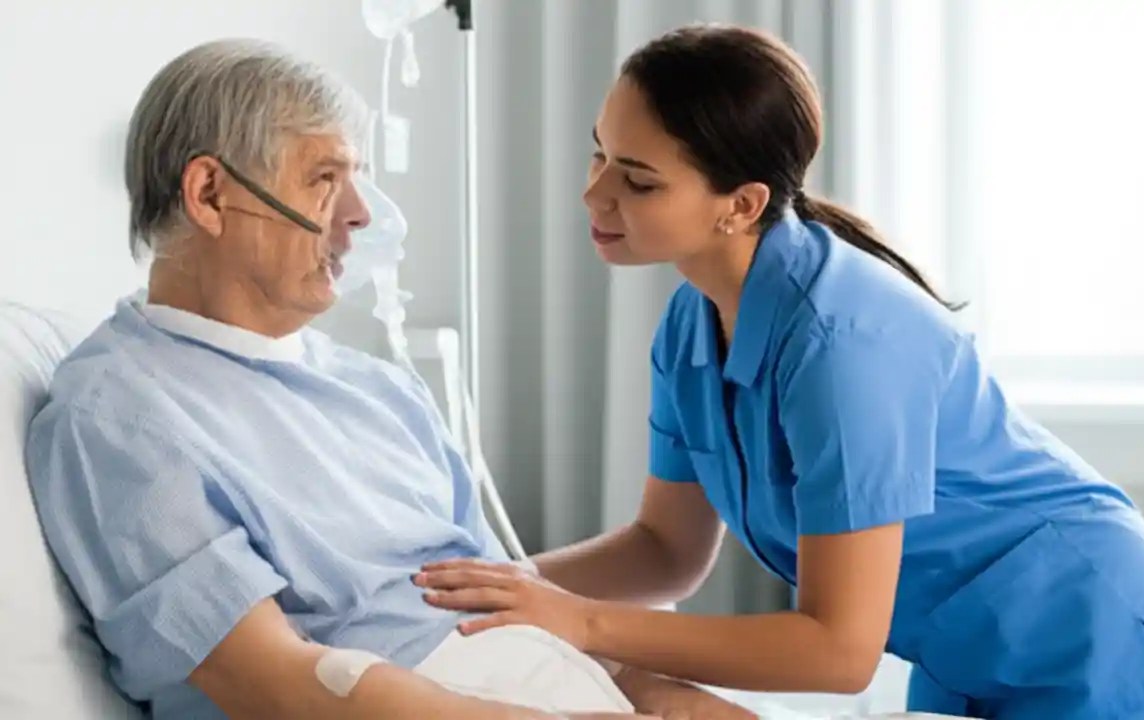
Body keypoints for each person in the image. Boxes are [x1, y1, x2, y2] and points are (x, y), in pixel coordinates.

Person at [413, 24, 1144, 720]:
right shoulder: (693, 319)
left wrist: (579, 623)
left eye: (638, 178)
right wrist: (496, 589)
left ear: (741, 204)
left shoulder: (843, 345)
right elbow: (666, 549)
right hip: (967, 652)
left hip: (1091, 636)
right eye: (598, 152)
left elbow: (837, 653)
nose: (594, 192)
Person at [24, 38, 747, 720]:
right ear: (210, 194)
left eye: (357, 179)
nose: (362, 214)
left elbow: (508, 603)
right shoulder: (118, 416)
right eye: (325, 179)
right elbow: (274, 683)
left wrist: (653, 692)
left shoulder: (379, 392)